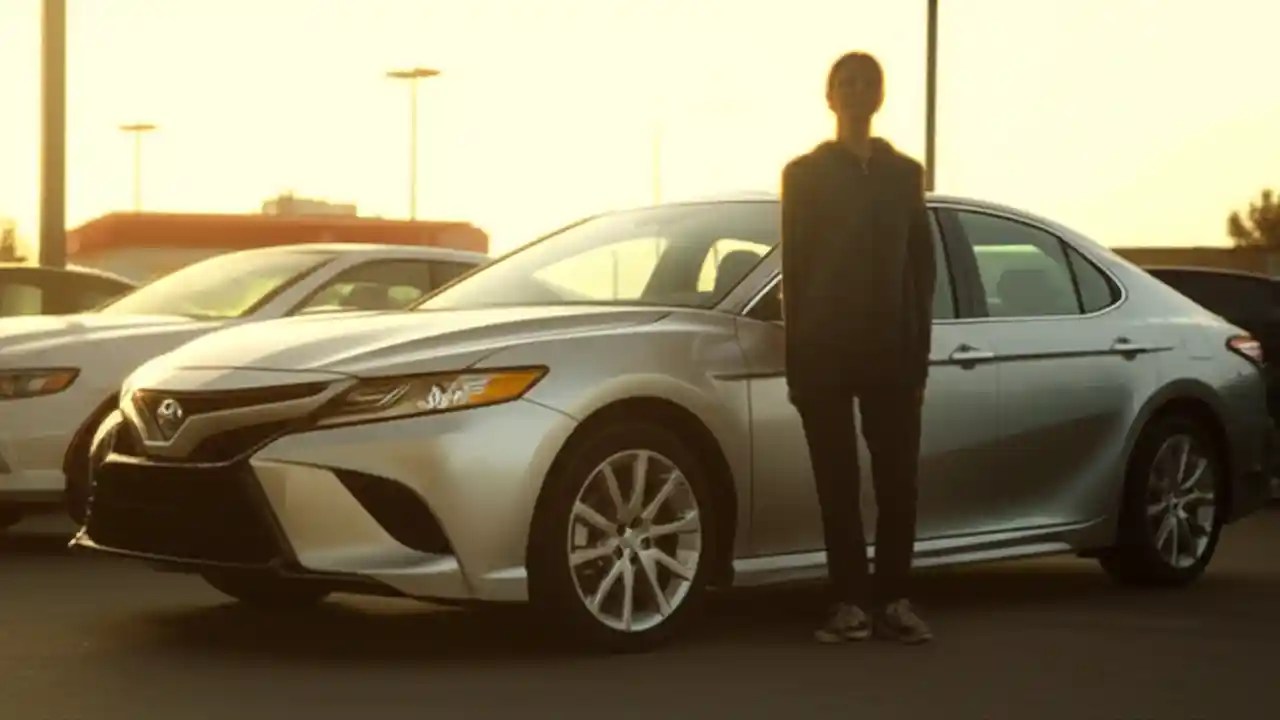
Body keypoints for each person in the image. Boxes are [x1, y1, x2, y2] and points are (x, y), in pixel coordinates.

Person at [779, 51, 936, 644]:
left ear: (879, 96)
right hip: (824, 353)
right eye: (844, 83)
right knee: (837, 486)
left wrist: (918, 354)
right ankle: (848, 604)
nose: (853, 91)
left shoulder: (904, 174)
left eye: (864, 82)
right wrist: (798, 363)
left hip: (893, 354)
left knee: (899, 484)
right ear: (829, 96)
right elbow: (796, 269)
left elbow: (921, 269)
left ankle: (895, 600)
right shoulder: (804, 175)